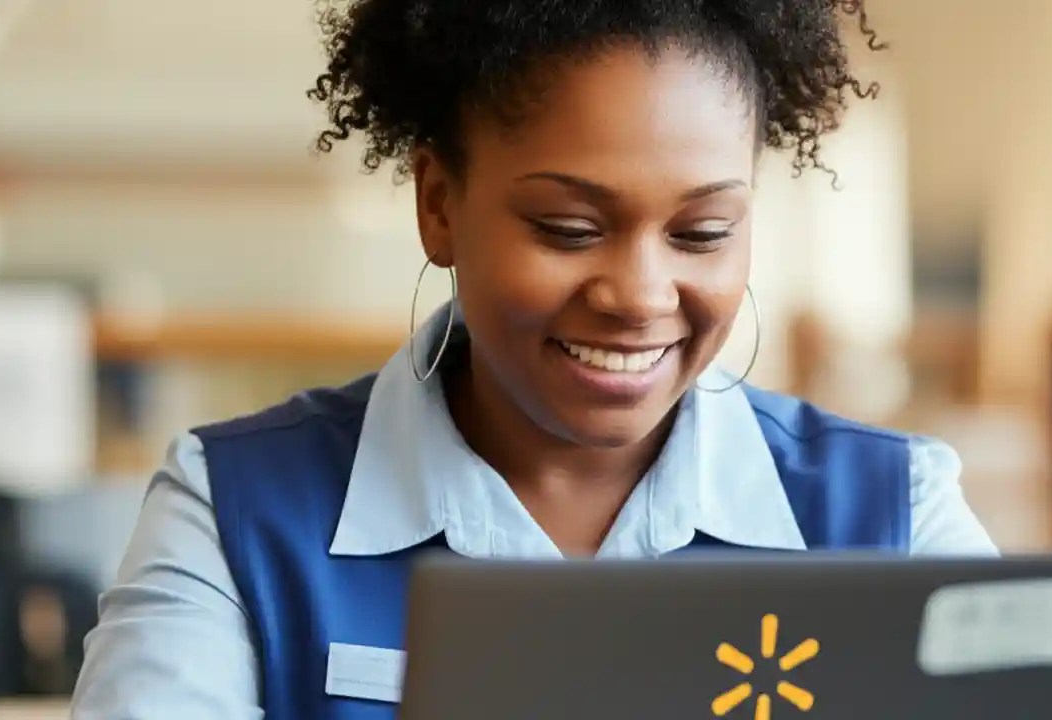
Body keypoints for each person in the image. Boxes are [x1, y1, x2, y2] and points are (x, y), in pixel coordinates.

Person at [71, 0, 996, 717]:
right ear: (438, 204)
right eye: (568, 227)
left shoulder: (897, 515)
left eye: (703, 231)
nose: (640, 294)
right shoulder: (236, 515)